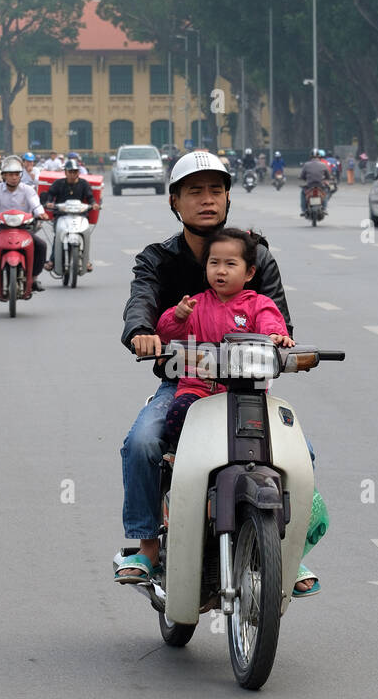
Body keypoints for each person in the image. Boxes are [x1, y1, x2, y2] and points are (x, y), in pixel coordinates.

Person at [116, 151, 324, 596]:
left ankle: (289, 550)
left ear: (229, 197)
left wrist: (287, 345)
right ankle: (147, 546)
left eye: (216, 190)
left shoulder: (257, 256)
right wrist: (141, 332)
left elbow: (278, 321)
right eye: (195, 191)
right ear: (175, 201)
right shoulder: (157, 259)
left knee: (301, 454)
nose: (207, 200)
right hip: (185, 382)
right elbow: (141, 304)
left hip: (247, 387)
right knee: (142, 442)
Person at [154, 227, 295, 449]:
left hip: (247, 391)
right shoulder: (195, 304)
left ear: (249, 273)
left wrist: (275, 336)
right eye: (214, 263)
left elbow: (270, 323)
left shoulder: (259, 304)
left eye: (230, 264)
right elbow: (166, 332)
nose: (221, 271)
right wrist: (178, 316)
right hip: (196, 387)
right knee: (178, 413)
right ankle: (180, 456)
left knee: (284, 445)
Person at [0, 155, 49, 293]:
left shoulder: (27, 189)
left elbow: (36, 205)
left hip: (25, 228)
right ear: (4, 175)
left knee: (41, 246)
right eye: (10, 174)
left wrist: (41, 213)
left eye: (16, 174)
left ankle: (34, 278)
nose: (14, 177)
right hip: (2, 229)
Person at [43, 158, 99, 275]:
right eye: (70, 172)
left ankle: (86, 260)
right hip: (61, 215)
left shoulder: (84, 184)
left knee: (84, 236)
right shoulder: (58, 184)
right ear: (65, 172)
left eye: (75, 171)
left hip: (80, 215)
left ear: (78, 172)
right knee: (58, 235)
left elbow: (90, 197)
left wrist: (93, 204)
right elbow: (50, 195)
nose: (72, 174)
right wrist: (49, 202)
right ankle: (53, 260)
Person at [299, 150, 332, 216]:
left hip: (310, 185)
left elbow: (302, 176)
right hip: (320, 185)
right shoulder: (323, 164)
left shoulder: (306, 164)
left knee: (303, 193)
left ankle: (303, 210)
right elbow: (328, 176)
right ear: (319, 157)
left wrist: (303, 178)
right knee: (325, 193)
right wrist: (327, 178)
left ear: (310, 156)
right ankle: (324, 208)